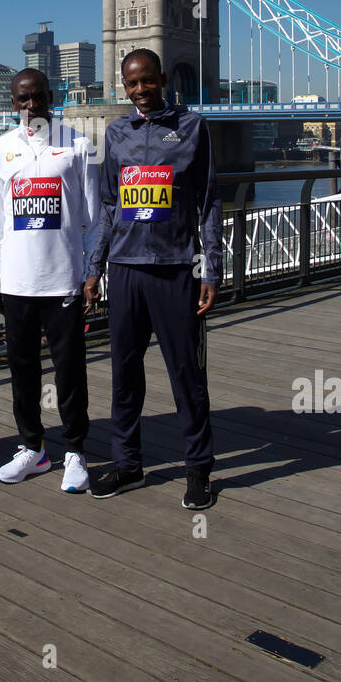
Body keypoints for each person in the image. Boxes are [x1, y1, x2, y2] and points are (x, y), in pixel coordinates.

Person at [84, 49, 222, 509]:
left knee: (186, 375)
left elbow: (208, 203)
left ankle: (198, 469)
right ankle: (127, 465)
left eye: (146, 81)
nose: (139, 90)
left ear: (162, 78)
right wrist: (94, 268)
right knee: (124, 375)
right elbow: (107, 207)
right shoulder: (117, 133)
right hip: (124, 272)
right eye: (131, 84)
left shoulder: (193, 127)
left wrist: (210, 269)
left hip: (173, 270)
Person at [0, 70, 99, 492]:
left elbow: (91, 218)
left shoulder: (78, 145)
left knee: (69, 371)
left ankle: (75, 451)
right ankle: (32, 448)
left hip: (64, 280)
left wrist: (91, 273)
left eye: (38, 97)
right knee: (23, 371)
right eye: (22, 99)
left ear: (51, 97)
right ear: (13, 102)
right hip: (16, 282)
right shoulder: (0, 150)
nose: (31, 105)